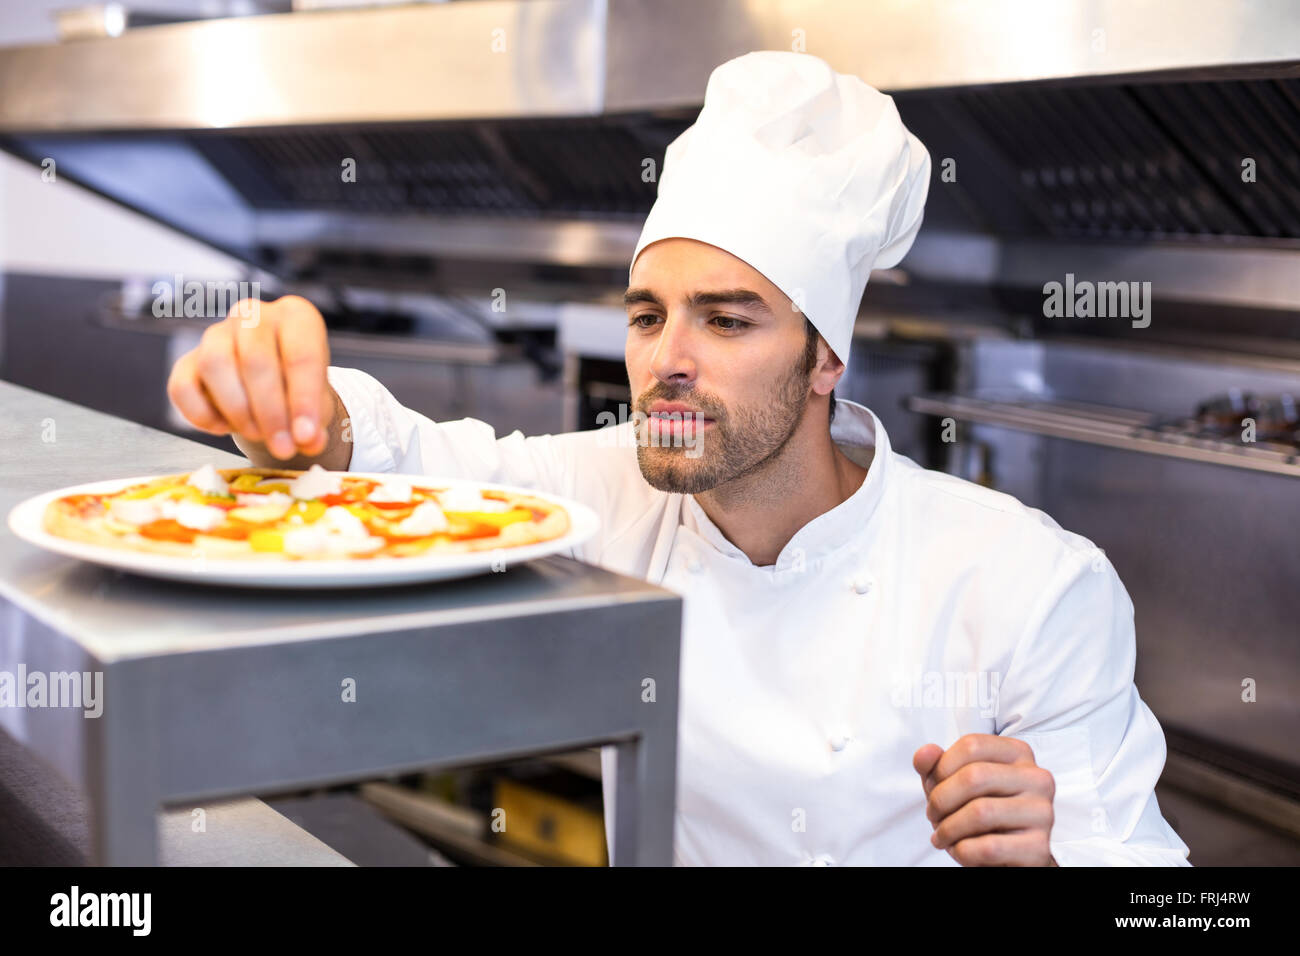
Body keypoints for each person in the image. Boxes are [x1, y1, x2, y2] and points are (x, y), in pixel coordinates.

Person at [167, 51, 1190, 866]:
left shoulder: (1027, 583)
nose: (667, 360)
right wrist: (300, 406)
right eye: (648, 315)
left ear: (824, 355)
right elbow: (413, 468)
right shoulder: (613, 501)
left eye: (726, 320)